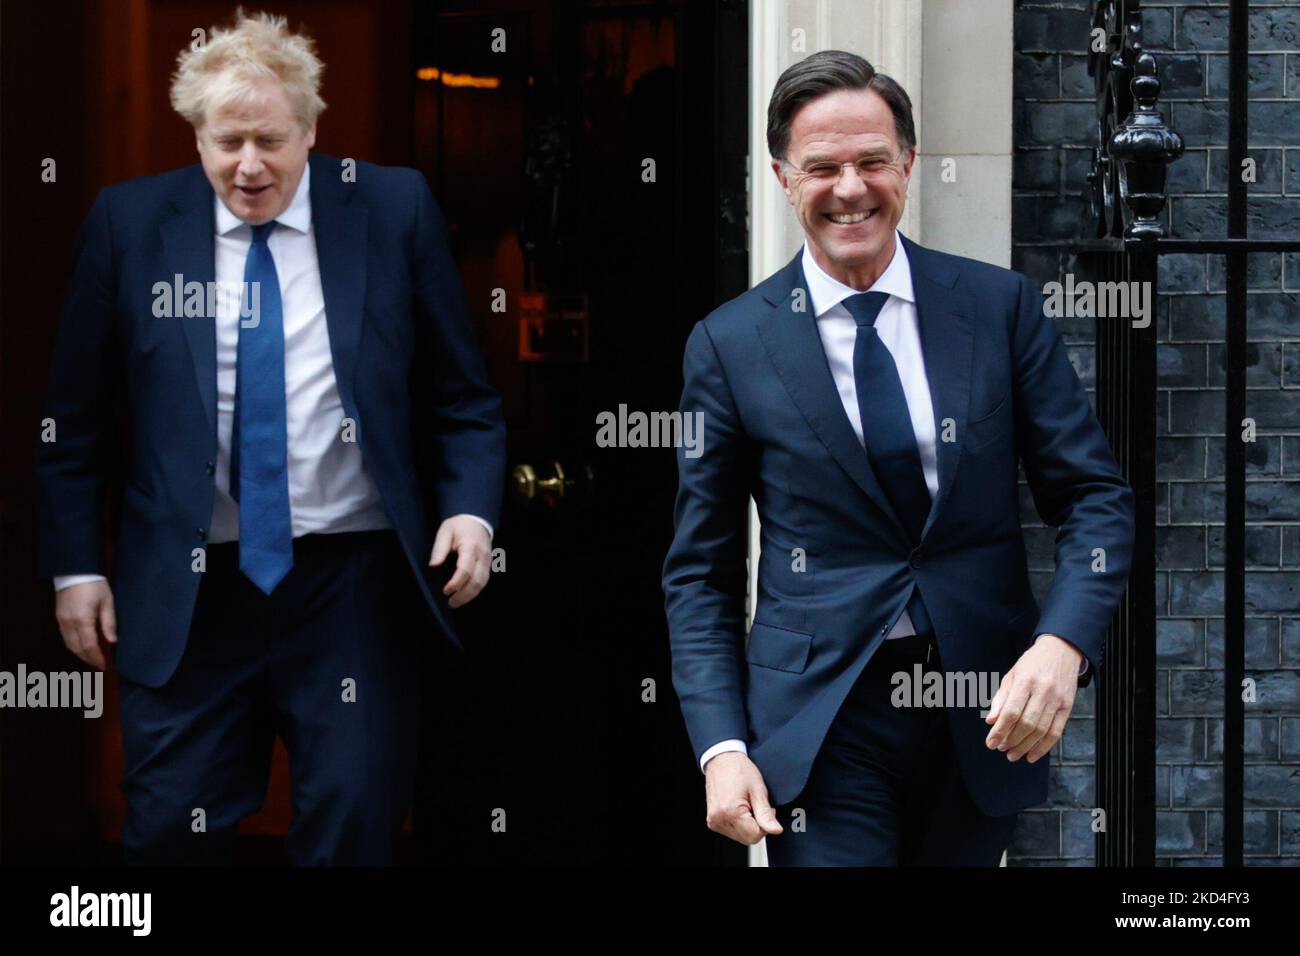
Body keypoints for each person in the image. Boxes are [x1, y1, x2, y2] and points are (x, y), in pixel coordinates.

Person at [36, 10, 506, 865]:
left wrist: (471, 515)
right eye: (227, 141)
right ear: (198, 136)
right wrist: (77, 565)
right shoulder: (129, 224)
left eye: (271, 140)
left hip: (350, 581)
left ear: (312, 131)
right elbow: (74, 419)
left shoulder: (391, 207)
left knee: (355, 823)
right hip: (188, 586)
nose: (249, 165)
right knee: (170, 829)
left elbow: (464, 396)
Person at [662, 50, 1135, 866]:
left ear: (908, 163)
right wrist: (721, 747)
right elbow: (698, 572)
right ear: (782, 176)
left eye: (872, 161)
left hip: (979, 710)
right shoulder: (729, 344)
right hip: (821, 721)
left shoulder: (999, 307)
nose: (851, 188)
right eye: (822, 167)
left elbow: (1095, 497)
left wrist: (1064, 646)